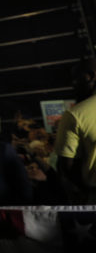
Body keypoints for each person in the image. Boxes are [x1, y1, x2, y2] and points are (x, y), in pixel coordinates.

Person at [54, 57, 96, 202]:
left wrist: (86, 191)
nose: (73, 85)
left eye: (75, 79)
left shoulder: (75, 115)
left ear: (89, 76)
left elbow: (67, 167)